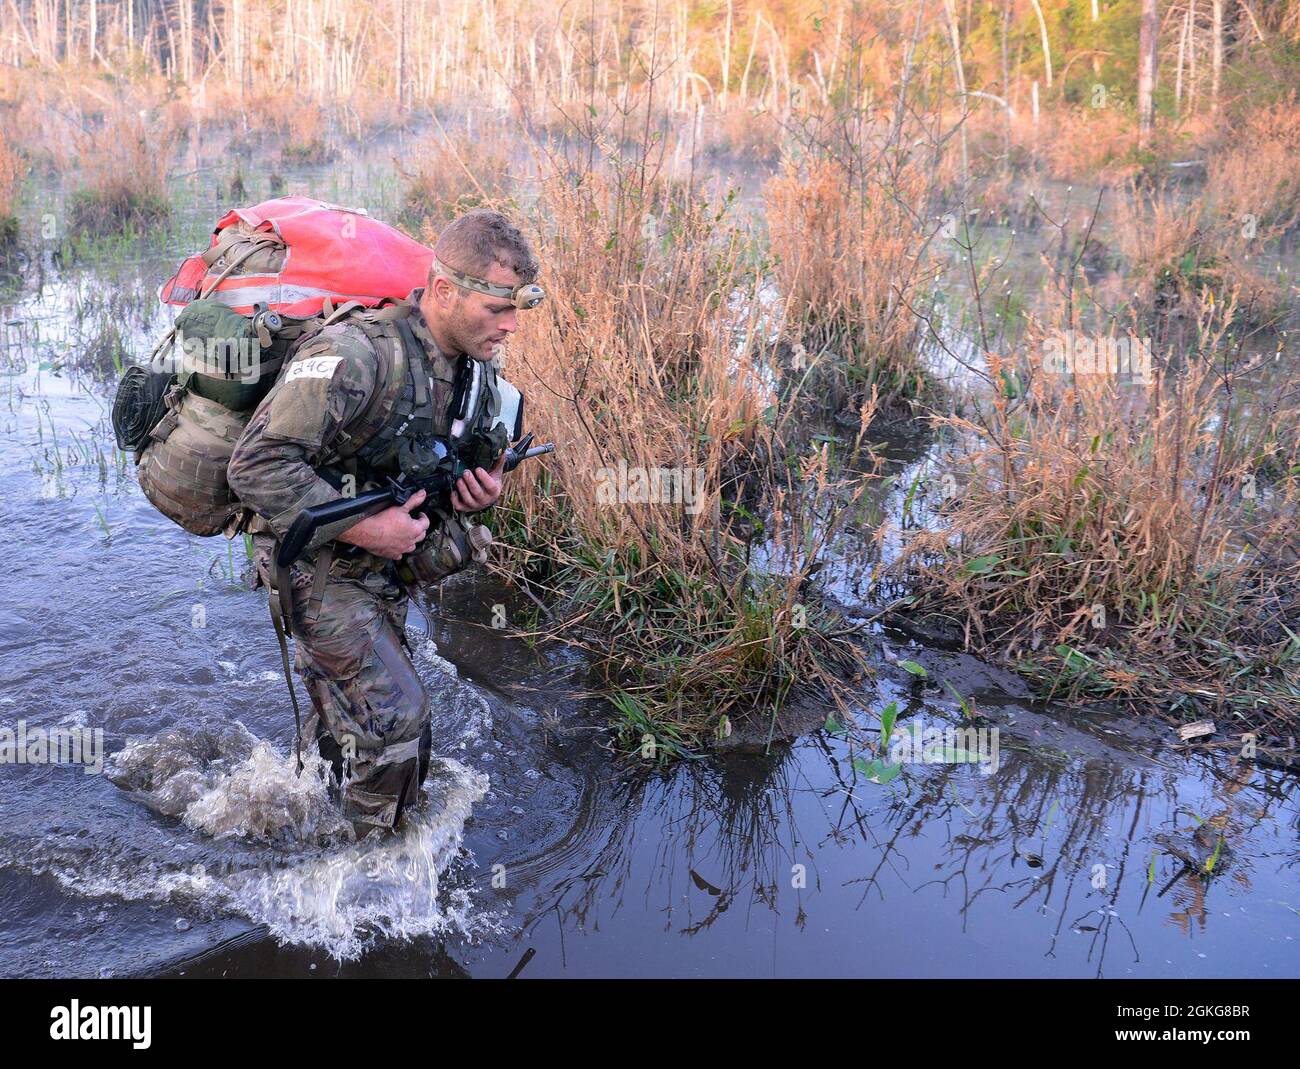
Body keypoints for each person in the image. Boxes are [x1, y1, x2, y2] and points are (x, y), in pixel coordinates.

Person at [227, 208, 542, 838]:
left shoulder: (475, 374)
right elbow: (255, 465)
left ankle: (306, 819)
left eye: (517, 311)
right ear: (445, 291)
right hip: (317, 565)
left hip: (387, 569)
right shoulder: (357, 354)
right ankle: (366, 867)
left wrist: (478, 494)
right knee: (400, 718)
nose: (509, 327)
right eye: (496, 308)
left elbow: (438, 469)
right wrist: (367, 528)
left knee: (358, 722)